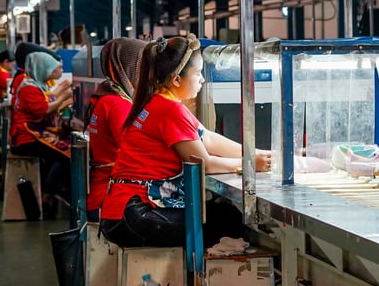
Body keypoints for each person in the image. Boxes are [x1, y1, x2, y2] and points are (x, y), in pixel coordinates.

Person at [101, 34, 272, 248]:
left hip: (122, 211)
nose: (202, 79)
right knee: (229, 220)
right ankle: (213, 270)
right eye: (198, 73)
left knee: (223, 214)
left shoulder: (160, 101)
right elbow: (205, 163)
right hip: (137, 214)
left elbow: (207, 138)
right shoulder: (169, 109)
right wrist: (250, 164)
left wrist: (255, 153)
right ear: (176, 80)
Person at [85, 38, 146, 221]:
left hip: (102, 192)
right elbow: (135, 150)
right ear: (131, 67)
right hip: (111, 200)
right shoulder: (119, 104)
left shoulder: (106, 95)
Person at [10, 52, 75, 218]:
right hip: (26, 138)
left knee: (58, 154)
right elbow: (43, 109)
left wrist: (62, 95)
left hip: (32, 134)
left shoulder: (37, 86)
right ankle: (50, 193)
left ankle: (54, 190)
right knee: (67, 153)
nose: (59, 71)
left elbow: (47, 100)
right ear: (44, 69)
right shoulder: (29, 88)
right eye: (56, 68)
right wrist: (64, 96)